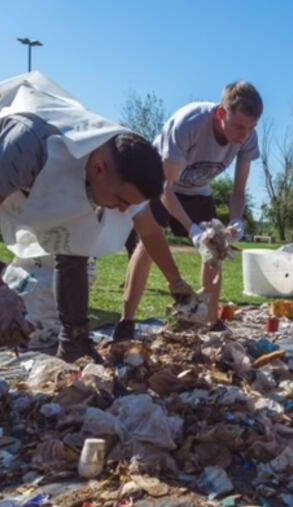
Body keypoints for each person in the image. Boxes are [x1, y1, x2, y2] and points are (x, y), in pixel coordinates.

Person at [0, 72, 193, 412]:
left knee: (76, 243)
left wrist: (177, 284)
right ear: (100, 168)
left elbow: (150, 232)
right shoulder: (32, 143)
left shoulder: (117, 161)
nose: (122, 210)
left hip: (31, 162)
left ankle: (74, 340)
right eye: (120, 200)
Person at [114, 82, 262, 339]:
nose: (244, 134)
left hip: (197, 188)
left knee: (216, 247)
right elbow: (165, 188)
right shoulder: (189, 123)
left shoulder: (248, 138)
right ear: (221, 114)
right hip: (159, 183)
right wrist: (193, 230)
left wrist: (237, 220)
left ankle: (212, 322)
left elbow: (238, 192)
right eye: (239, 126)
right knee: (148, 244)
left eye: (251, 127)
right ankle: (127, 321)